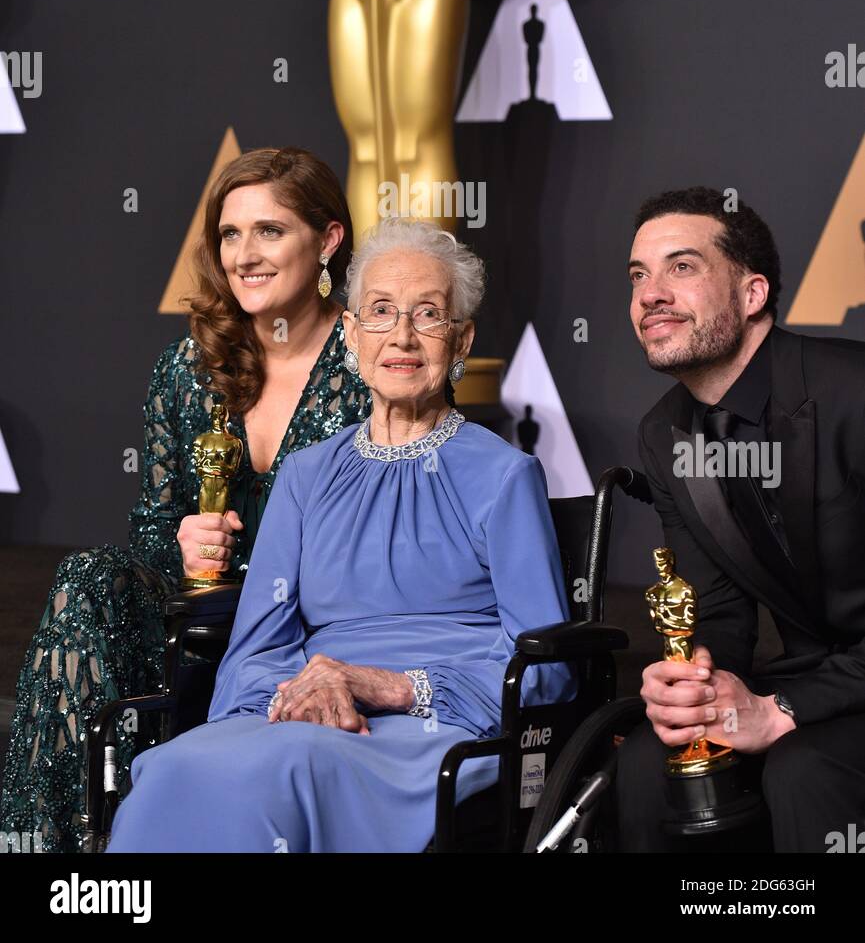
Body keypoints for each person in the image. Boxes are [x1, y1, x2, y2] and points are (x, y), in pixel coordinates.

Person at [105, 217, 575, 853]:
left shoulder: (504, 476)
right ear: (351, 335)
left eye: (428, 315)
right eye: (379, 312)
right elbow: (252, 649)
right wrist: (297, 695)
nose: (402, 336)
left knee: (291, 767)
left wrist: (388, 684)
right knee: (174, 768)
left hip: (432, 725)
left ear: (460, 340)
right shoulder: (304, 475)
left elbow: (547, 668)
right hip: (303, 709)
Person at [0, 147, 369, 853]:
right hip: (200, 615)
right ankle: (51, 848)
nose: (244, 255)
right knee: (88, 582)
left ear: (326, 240)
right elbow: (150, 526)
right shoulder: (190, 364)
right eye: (229, 235)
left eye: (269, 231)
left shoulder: (375, 361)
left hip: (317, 623)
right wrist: (181, 542)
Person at [618, 185, 865, 852]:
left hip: (837, 691)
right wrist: (692, 681)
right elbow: (718, 612)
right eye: (638, 275)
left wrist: (779, 710)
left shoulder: (852, 393)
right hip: (817, 679)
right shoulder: (664, 433)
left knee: (802, 769)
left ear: (752, 295)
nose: (649, 294)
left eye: (682, 267)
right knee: (647, 763)